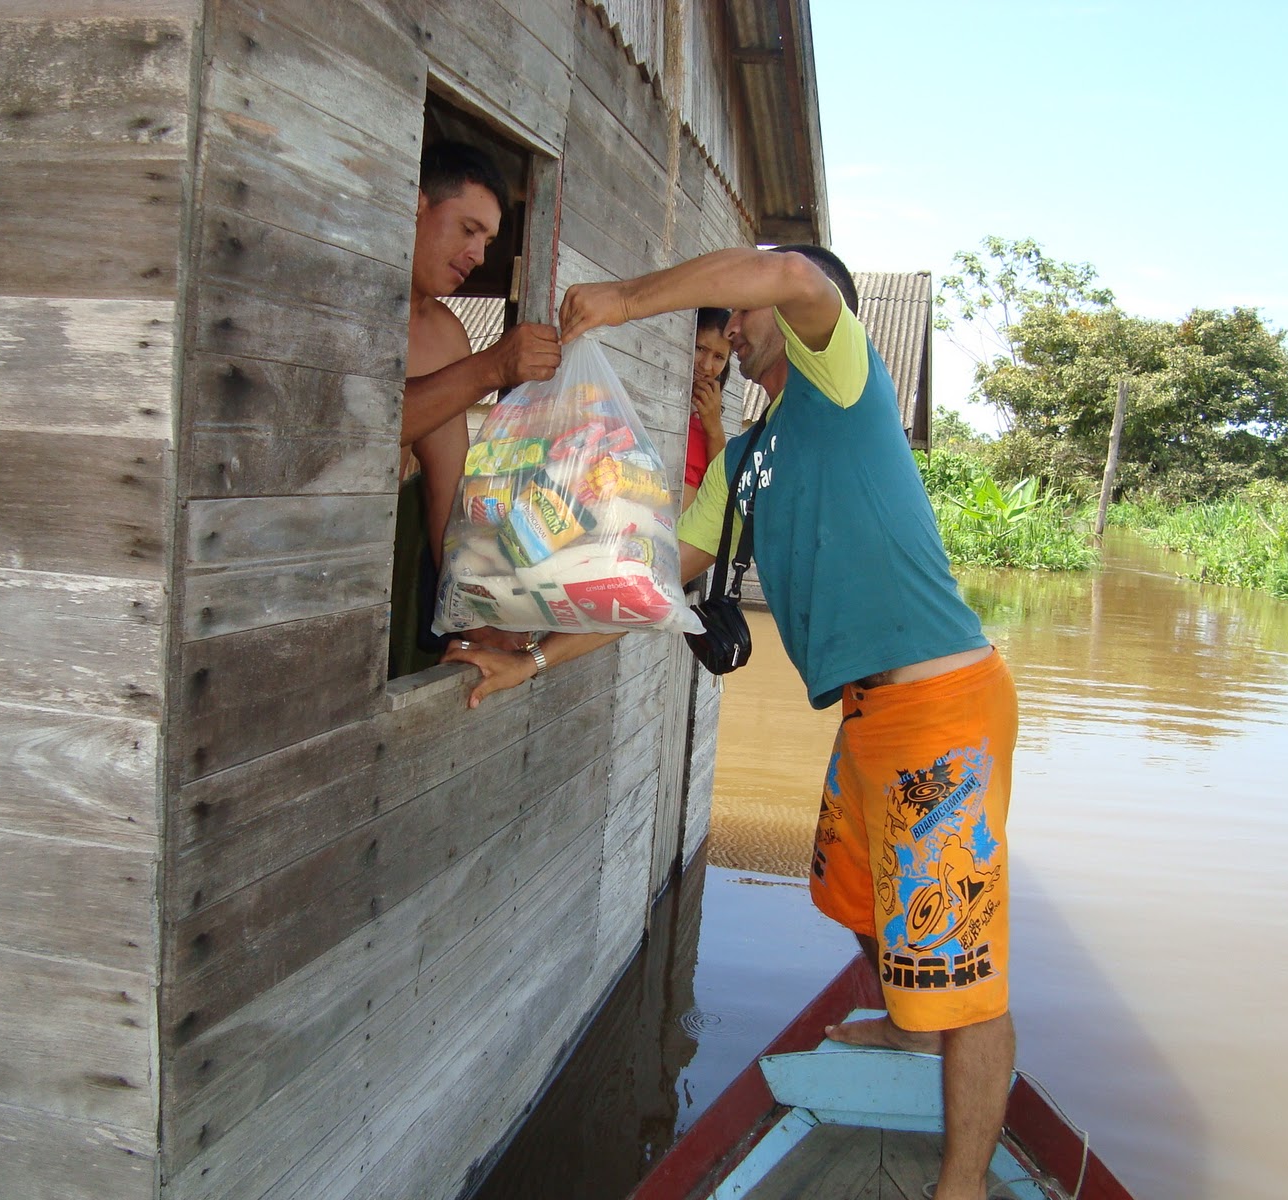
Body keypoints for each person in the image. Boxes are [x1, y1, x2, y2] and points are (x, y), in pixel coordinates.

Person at [443, 245, 1018, 1200]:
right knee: (853, 893)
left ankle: (958, 1182)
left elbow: (791, 273)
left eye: (739, 314)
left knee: (958, 952)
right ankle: (905, 1017)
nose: (730, 327)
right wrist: (529, 654)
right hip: (871, 713)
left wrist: (627, 297)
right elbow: (659, 587)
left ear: (797, 322)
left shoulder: (843, 388)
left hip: (943, 705)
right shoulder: (747, 460)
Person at [391, 141, 562, 676]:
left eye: (487, 240)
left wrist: (481, 623)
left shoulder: (444, 335)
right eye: (468, 230)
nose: (480, 255)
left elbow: (449, 504)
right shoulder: (350, 299)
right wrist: (491, 369)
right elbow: (360, 427)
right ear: (416, 206)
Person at [682, 307, 732, 510]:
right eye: (700, 348)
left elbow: (721, 485)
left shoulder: (708, 421)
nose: (706, 365)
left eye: (719, 357)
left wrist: (713, 426)